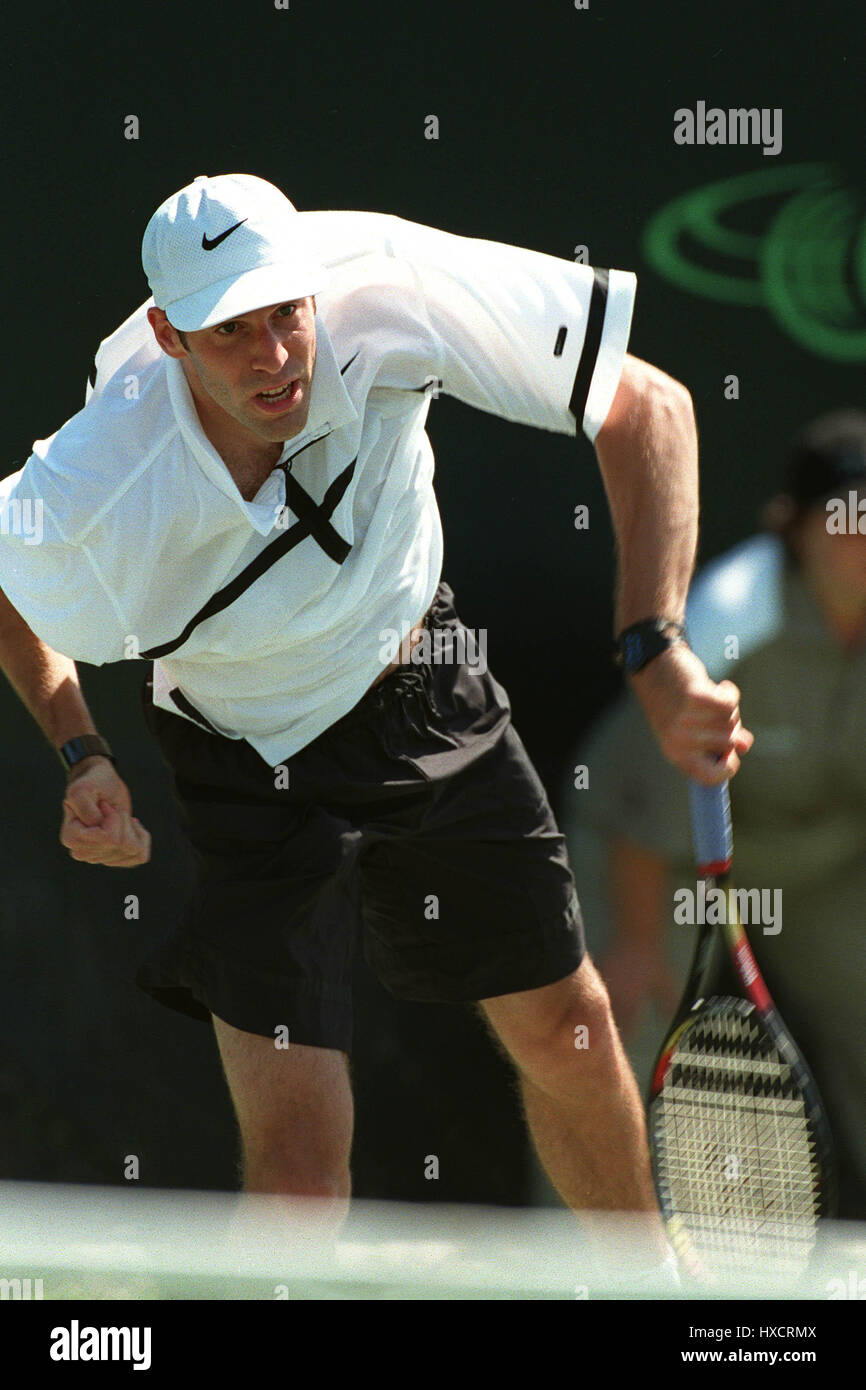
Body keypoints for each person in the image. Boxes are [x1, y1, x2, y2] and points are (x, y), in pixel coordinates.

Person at [0, 173, 749, 1249]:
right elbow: (9, 582)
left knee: (572, 1030)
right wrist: (80, 748)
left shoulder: (386, 287)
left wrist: (654, 644)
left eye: (284, 315)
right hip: (240, 757)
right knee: (301, 1175)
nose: (273, 358)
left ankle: (659, 1308)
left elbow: (647, 405)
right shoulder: (98, 479)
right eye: (229, 333)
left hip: (420, 687)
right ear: (168, 336)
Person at [569, 410, 866, 1219]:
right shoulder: (729, 617)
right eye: (850, 519)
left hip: (819, 862)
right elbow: (639, 801)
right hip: (659, 859)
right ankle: (604, 1259)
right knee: (622, 1025)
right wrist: (633, 945)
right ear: (798, 529)